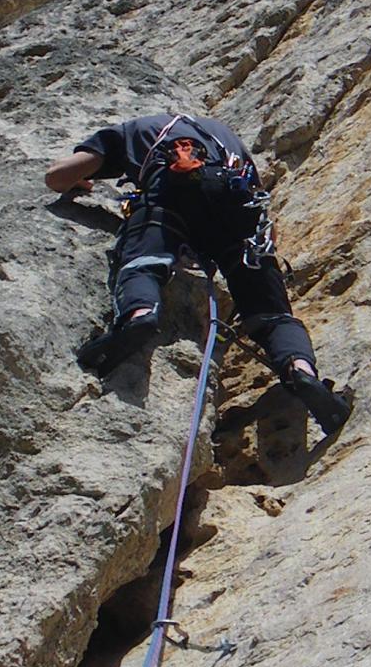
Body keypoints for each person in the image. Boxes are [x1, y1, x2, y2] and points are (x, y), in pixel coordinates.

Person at [45, 111, 352, 436]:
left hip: (171, 193)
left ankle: (140, 314)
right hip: (238, 207)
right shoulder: (228, 138)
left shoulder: (133, 131)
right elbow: (265, 223)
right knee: (273, 315)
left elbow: (57, 177)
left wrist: (80, 182)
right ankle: (300, 370)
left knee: (143, 261)